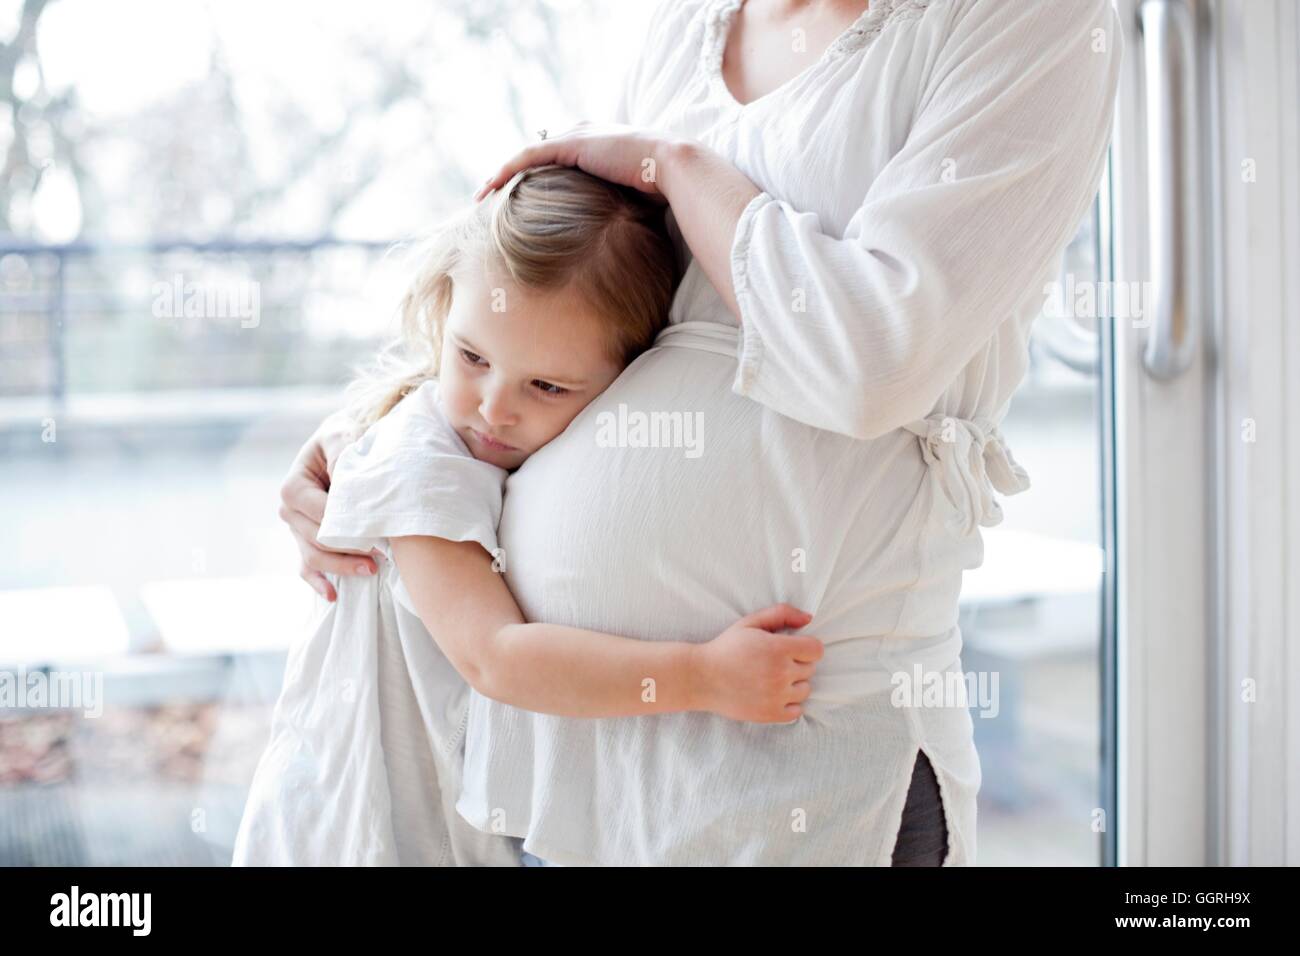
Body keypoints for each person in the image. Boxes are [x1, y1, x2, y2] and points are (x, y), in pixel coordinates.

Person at [281, 0, 1124, 865]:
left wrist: (677, 166)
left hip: (801, 768)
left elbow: (873, 364)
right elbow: (573, 308)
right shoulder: (686, 19)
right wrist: (372, 431)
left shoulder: (1030, 18)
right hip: (580, 777)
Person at [234, 165, 823, 866]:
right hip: (352, 832)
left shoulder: (482, 447)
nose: (494, 408)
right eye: (472, 356)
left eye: (546, 385)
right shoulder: (422, 461)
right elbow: (494, 657)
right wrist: (704, 675)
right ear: (444, 312)